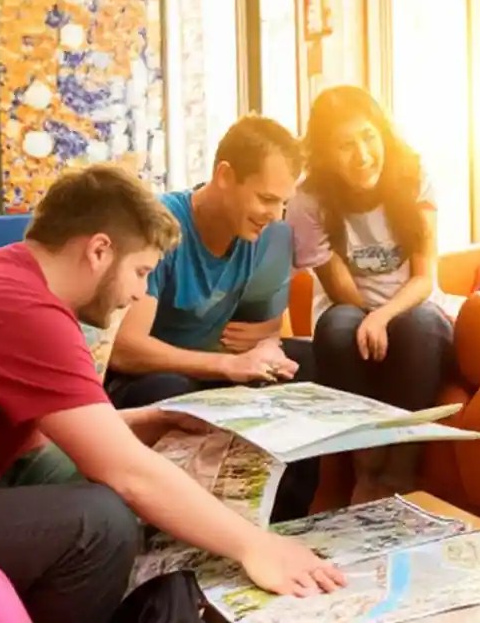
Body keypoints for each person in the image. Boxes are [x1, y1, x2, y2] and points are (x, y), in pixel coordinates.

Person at [0, 163, 344, 623]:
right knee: (100, 524)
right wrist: (258, 546)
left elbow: (37, 439)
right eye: (140, 271)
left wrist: (144, 420)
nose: (139, 292)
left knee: (91, 476)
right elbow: (128, 474)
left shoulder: (8, 281)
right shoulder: (23, 310)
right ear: (98, 250)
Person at [106, 115, 320, 521]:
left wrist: (265, 348)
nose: (275, 213)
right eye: (265, 198)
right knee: (171, 388)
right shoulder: (159, 224)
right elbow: (126, 349)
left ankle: (286, 524)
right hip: (145, 379)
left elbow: (263, 333)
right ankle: (182, 531)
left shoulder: (272, 235)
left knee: (302, 368)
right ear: (225, 175)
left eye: (283, 202)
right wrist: (226, 362)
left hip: (210, 365)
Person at [286, 85, 455, 504]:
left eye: (368, 137)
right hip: (351, 317)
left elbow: (423, 279)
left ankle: (399, 473)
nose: (362, 155)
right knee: (338, 325)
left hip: (413, 311)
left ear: (383, 135)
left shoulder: (414, 176)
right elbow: (342, 291)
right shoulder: (309, 200)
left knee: (420, 324)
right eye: (345, 145)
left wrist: (384, 317)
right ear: (325, 153)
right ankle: (367, 469)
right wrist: (371, 319)